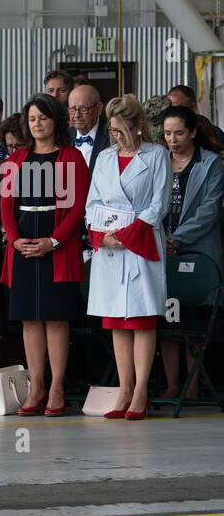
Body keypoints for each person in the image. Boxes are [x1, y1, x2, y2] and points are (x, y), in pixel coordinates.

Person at [0, 94, 90, 416]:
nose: (37, 124)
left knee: (55, 318)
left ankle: (56, 386)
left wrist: (54, 241)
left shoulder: (71, 157)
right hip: (23, 245)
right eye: (32, 119)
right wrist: (14, 240)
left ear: (55, 121)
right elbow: (5, 207)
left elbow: (78, 207)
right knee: (30, 319)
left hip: (57, 248)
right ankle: (36, 385)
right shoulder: (17, 159)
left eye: (43, 118)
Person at [85, 95, 169, 420]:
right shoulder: (105, 157)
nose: (116, 137)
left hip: (141, 241)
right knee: (116, 321)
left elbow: (158, 205)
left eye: (122, 131)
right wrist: (101, 235)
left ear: (137, 127)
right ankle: (123, 389)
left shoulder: (157, 155)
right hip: (109, 246)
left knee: (141, 317)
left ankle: (141, 390)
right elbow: (93, 202)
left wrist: (128, 234)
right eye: (113, 131)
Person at [158, 105, 224, 398]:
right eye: (167, 133)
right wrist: (161, 240)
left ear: (193, 132)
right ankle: (173, 384)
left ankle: (193, 385)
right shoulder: (158, 160)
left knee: (193, 319)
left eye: (179, 133)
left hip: (195, 251)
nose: (172, 139)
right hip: (162, 250)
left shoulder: (210, 163)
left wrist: (177, 240)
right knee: (167, 318)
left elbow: (209, 211)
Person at [68, 82, 109, 173]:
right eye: (73, 109)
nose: (77, 115)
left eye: (83, 109)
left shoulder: (112, 136)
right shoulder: (62, 137)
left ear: (99, 109)